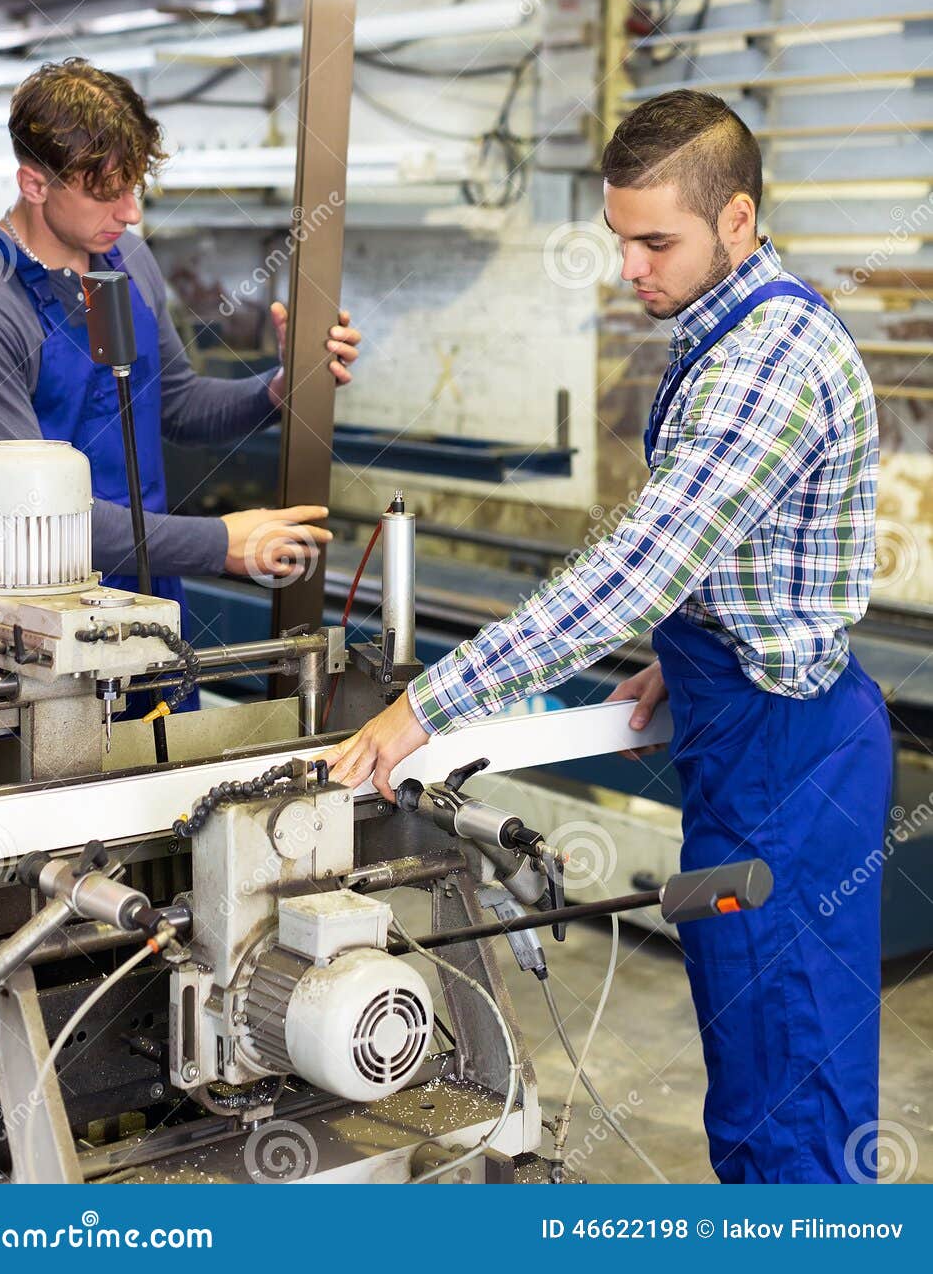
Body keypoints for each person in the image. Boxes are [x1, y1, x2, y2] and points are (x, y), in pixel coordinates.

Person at [324, 88, 892, 1185]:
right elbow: (727, 545)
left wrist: (425, 706)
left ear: (736, 221)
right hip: (744, 731)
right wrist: (686, 644)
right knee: (752, 1075)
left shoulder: (761, 362)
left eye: (654, 241)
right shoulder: (719, 326)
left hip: (788, 763)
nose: (628, 265)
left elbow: (629, 569)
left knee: (792, 1098)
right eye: (618, 237)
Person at [0, 57, 361, 644]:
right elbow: (28, 515)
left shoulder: (127, 259)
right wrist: (216, 544)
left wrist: (282, 388)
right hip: (35, 626)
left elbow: (177, 405)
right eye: (106, 194)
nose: (130, 213)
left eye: (132, 187)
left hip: (152, 595)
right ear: (34, 183)